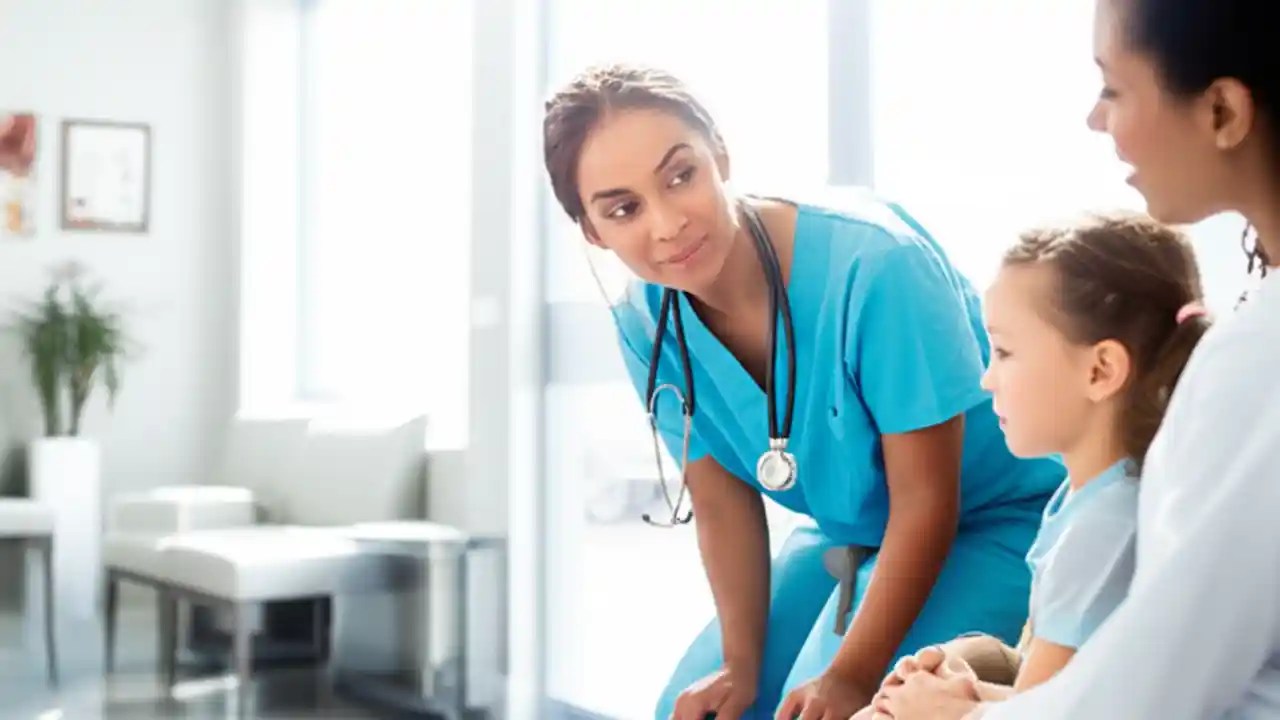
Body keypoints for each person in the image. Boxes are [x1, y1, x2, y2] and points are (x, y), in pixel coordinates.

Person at [541, 64, 1064, 720]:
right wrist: (739, 663)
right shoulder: (646, 317)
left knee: (836, 708)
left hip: (995, 519)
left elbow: (928, 500)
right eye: (624, 209)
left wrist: (850, 676)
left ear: (720, 156)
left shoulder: (876, 264)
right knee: (693, 707)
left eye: (681, 176)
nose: (668, 224)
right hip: (850, 535)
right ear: (593, 230)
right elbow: (722, 501)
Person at [877, 0, 1280, 717]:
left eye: (1113, 89)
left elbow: (1163, 689)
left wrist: (963, 713)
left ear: (1221, 110)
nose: (1097, 121)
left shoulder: (1253, 367)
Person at [860, 213, 1210, 719]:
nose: (987, 380)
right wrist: (963, 676)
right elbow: (1065, 697)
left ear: (1100, 370)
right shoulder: (1093, 493)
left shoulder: (1103, 529)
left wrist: (943, 710)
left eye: (1003, 352)